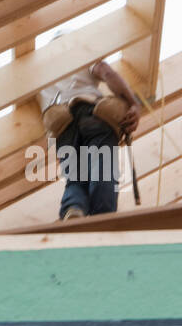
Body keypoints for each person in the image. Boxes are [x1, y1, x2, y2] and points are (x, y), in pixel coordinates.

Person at [39, 52, 142, 221]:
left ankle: (74, 207)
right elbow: (106, 72)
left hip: (62, 124)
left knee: (75, 178)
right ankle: (103, 219)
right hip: (91, 114)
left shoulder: (38, 72)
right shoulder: (81, 51)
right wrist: (133, 104)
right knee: (103, 170)